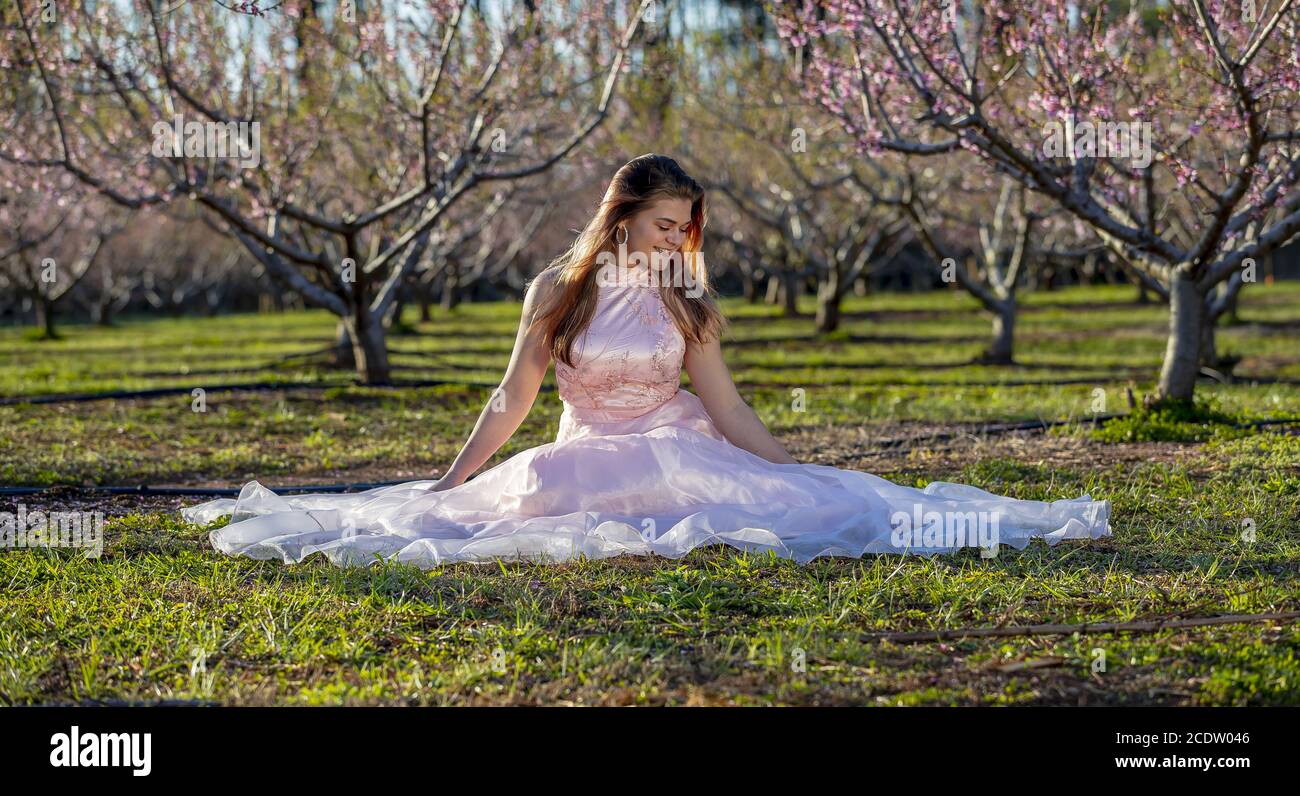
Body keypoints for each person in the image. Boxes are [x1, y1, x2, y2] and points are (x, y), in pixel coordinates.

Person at [181, 154, 1110, 566]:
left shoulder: (689, 300)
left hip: (679, 453)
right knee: (475, 522)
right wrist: (448, 479)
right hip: (581, 451)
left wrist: (801, 470)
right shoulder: (558, 290)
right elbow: (513, 397)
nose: (679, 239)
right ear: (622, 215)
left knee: (817, 509)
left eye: (688, 229)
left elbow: (730, 411)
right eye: (667, 224)